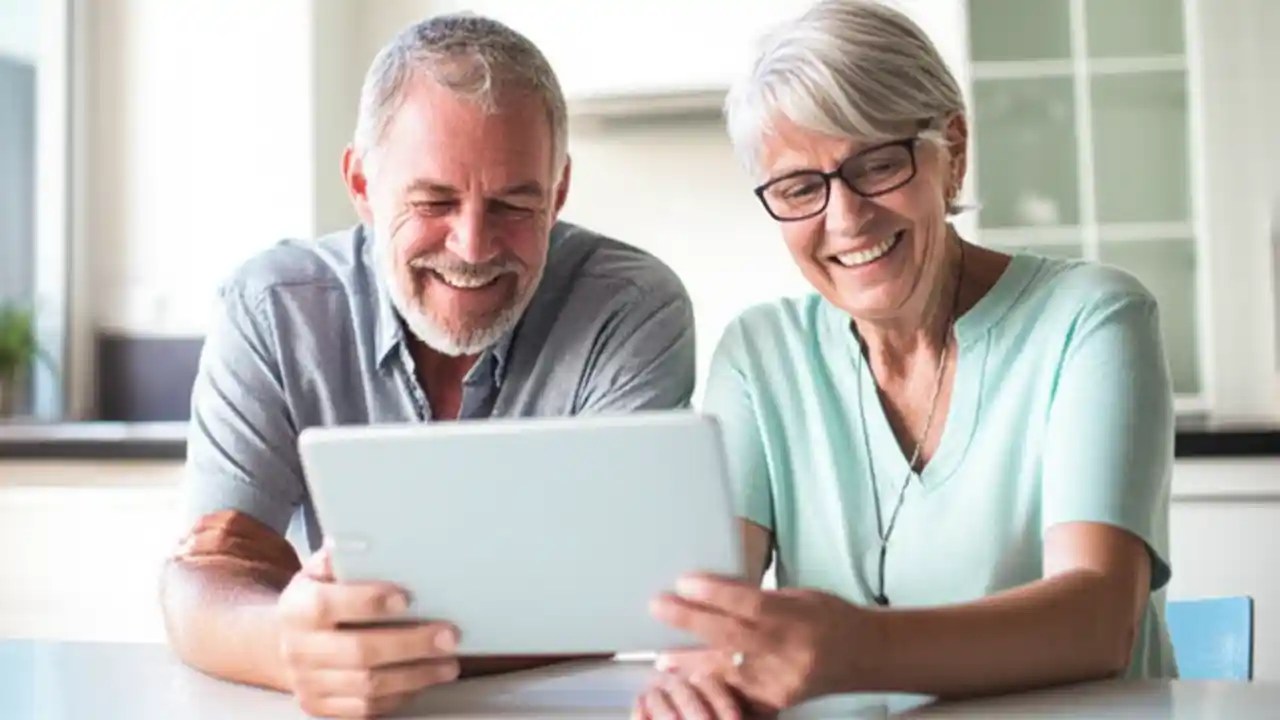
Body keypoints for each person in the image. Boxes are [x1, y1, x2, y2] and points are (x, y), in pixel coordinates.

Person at [635, 1, 1176, 717]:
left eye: (879, 164)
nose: (846, 218)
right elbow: (708, 623)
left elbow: (1097, 622)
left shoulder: (1090, 319)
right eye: (800, 188)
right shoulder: (759, 356)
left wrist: (852, 650)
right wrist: (702, 683)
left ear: (952, 150)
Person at [159, 13, 694, 719]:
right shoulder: (272, 308)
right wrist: (290, 647)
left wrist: (359, 637)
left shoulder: (629, 307)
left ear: (559, 191)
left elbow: (617, 591)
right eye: (433, 201)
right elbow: (205, 578)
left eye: (513, 204)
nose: (472, 247)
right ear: (361, 183)